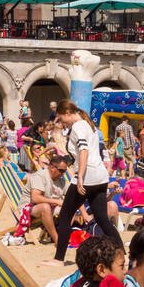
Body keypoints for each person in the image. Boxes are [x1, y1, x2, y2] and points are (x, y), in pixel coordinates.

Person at [51, 101, 121, 258]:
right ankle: (121, 251)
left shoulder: (78, 126)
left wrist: (80, 176)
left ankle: (59, 258)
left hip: (87, 176)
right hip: (101, 176)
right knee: (103, 219)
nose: (62, 123)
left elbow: (84, 151)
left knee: (64, 216)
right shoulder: (90, 126)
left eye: (62, 118)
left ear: (68, 113)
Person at [29, 152, 68, 246]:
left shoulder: (61, 181)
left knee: (68, 206)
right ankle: (57, 239)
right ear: (52, 167)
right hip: (29, 210)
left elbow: (71, 195)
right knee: (45, 207)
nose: (63, 174)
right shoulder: (40, 176)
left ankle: (66, 234)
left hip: (50, 210)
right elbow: (35, 198)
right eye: (61, 170)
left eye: (64, 171)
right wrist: (57, 201)